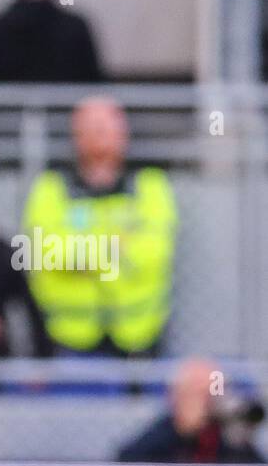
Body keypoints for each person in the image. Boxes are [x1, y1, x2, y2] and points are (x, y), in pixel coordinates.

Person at [22, 96, 178, 356]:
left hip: (140, 339)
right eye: (92, 127)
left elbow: (155, 251)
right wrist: (117, 247)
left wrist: (82, 254)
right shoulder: (50, 188)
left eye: (108, 126)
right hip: (70, 341)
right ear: (76, 135)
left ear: (124, 133)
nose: (101, 134)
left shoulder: (151, 186)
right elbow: (44, 251)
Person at [119, 358, 265, 464]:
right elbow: (127, 460)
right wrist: (182, 431)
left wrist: (240, 437)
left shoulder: (224, 435)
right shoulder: (164, 433)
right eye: (200, 394)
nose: (209, 402)